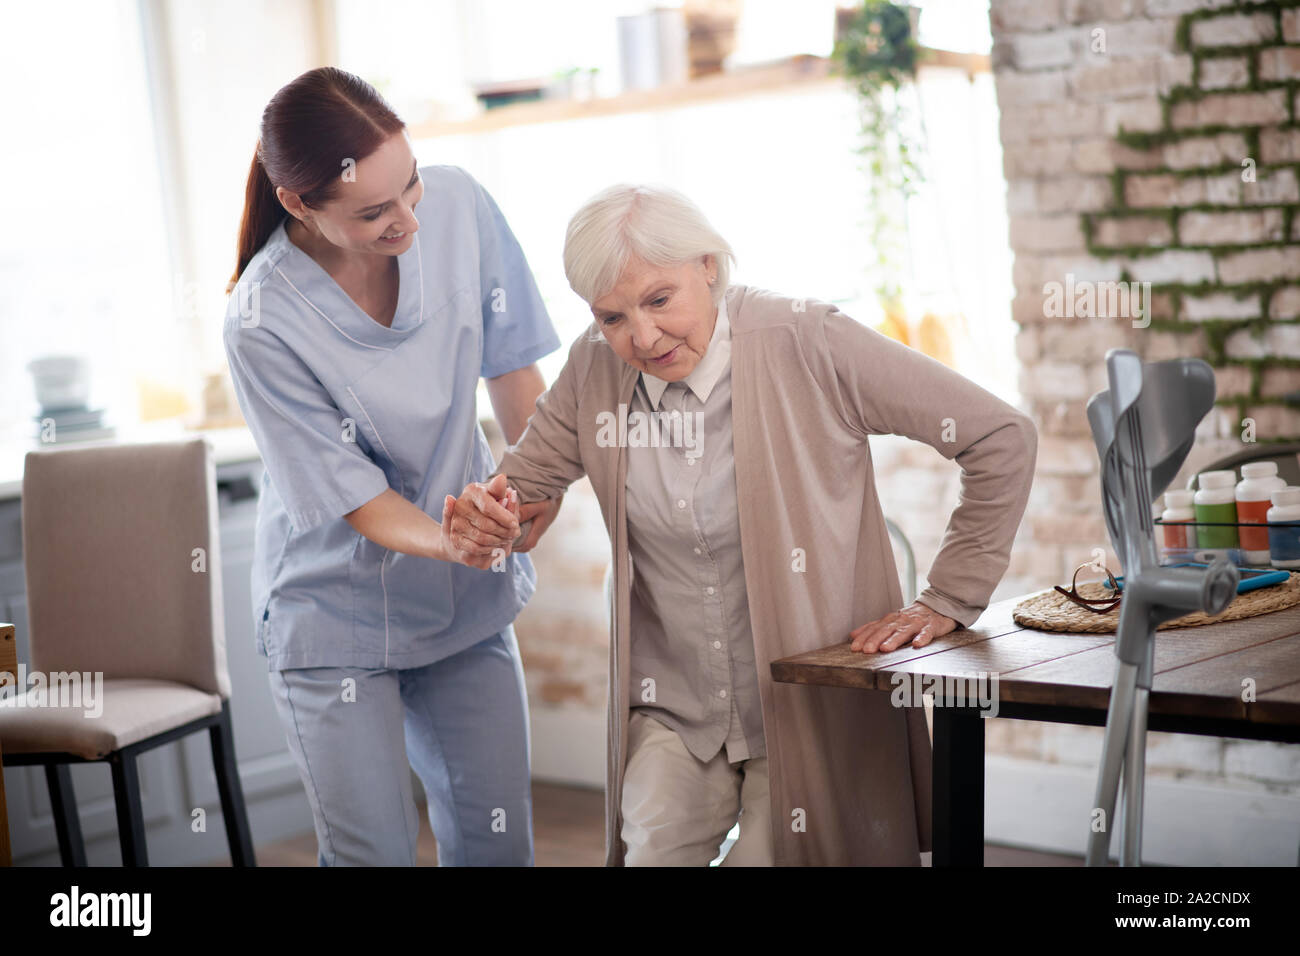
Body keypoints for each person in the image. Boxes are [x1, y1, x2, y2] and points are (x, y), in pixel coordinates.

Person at [444, 182, 1038, 865]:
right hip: (672, 707)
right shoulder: (593, 366)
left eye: (659, 300)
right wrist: (484, 523)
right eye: (611, 316)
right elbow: (519, 488)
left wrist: (950, 597)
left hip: (804, 704)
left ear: (709, 267)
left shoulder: (808, 339)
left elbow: (1001, 436)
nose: (641, 337)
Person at [222, 67, 562, 866]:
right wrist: (459, 541)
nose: (407, 218)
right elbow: (355, 500)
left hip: (458, 604)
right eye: (374, 211)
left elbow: (514, 370)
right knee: (372, 852)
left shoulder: (462, 206)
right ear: (299, 203)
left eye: (409, 187)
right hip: (332, 619)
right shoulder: (261, 321)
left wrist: (535, 486)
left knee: (496, 843)